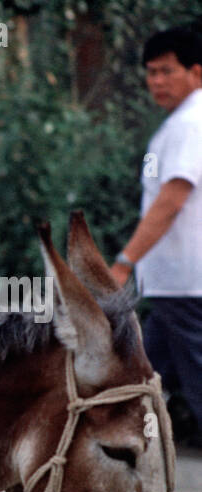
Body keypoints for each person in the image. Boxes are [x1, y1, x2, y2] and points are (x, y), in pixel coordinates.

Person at [111, 27, 202, 448]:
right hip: (172, 286)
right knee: (140, 381)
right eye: (150, 72)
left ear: (196, 73)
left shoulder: (190, 122)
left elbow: (171, 199)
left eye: (167, 71)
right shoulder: (180, 123)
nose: (156, 82)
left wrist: (125, 261)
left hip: (186, 286)